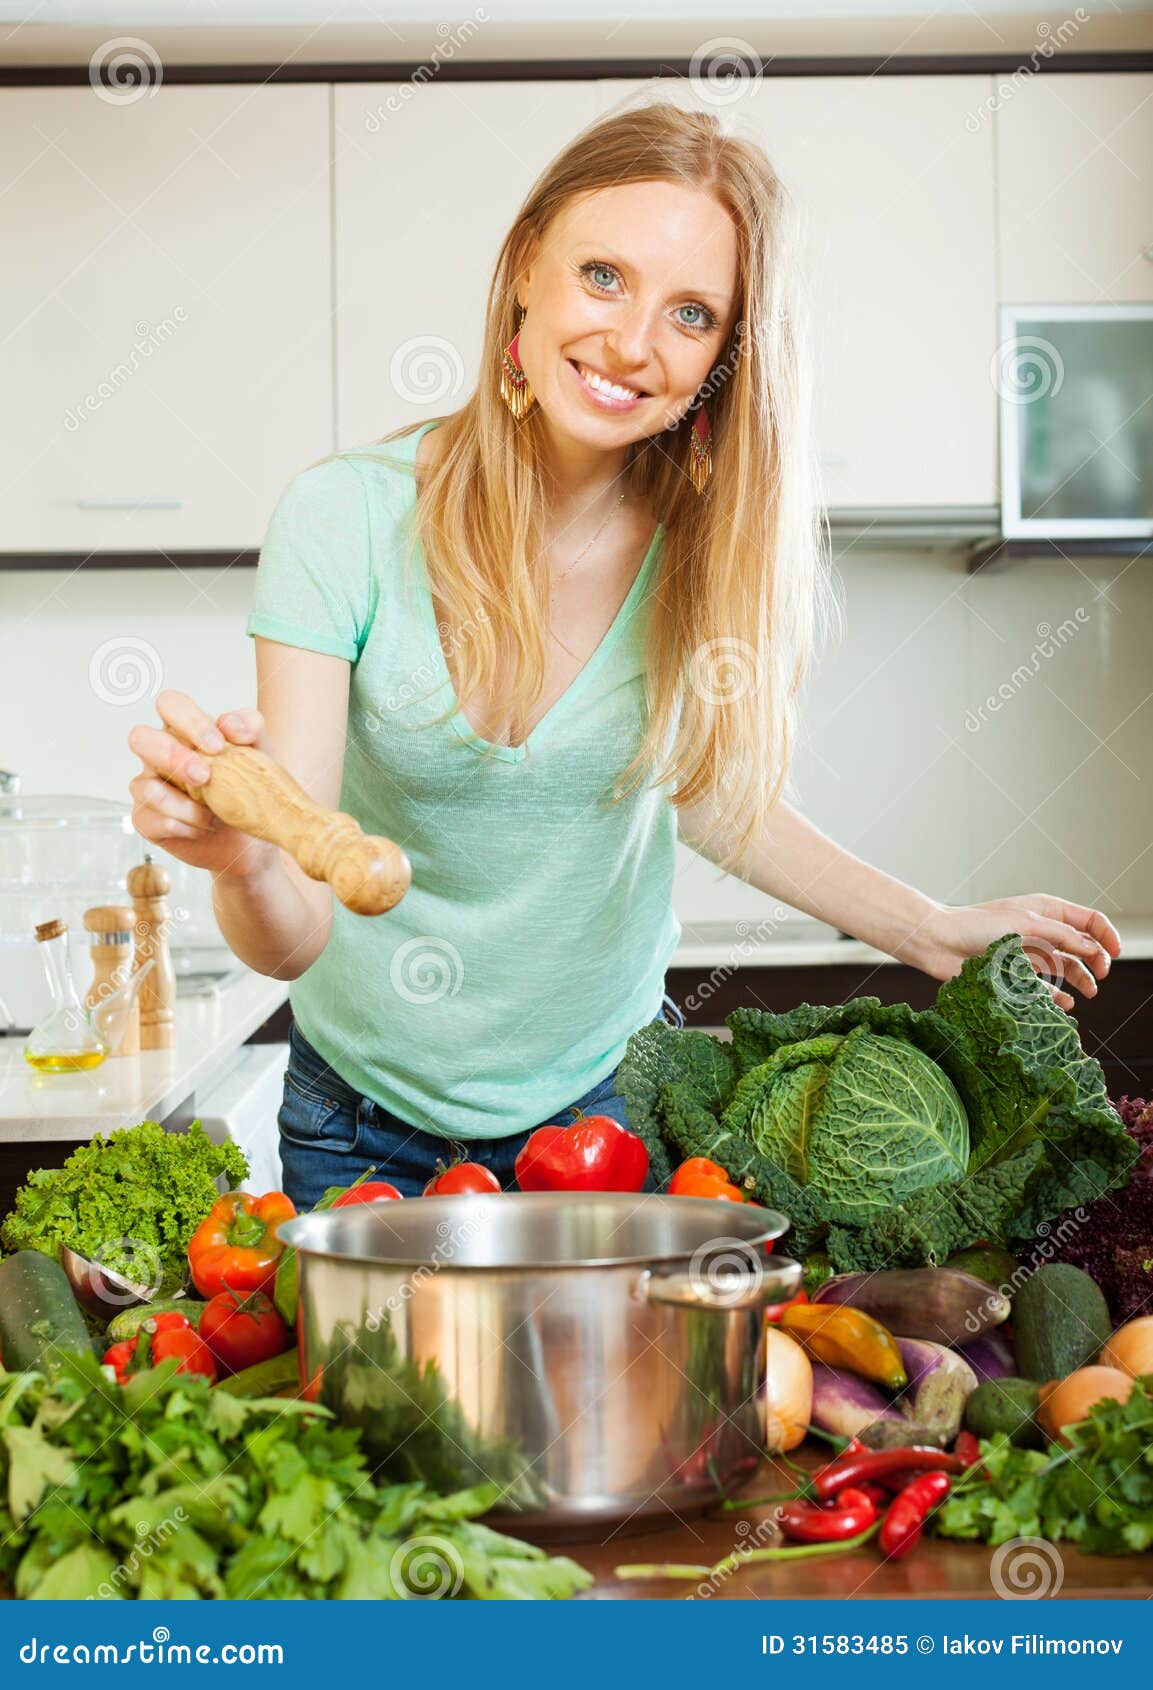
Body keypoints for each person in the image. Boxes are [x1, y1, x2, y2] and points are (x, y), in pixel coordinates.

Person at [127, 102, 1117, 1208]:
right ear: (525, 274)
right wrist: (243, 859)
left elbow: (713, 798)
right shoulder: (342, 519)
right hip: (360, 1123)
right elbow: (297, 929)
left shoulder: (706, 548)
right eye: (602, 276)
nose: (632, 342)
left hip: (601, 1116)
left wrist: (929, 927)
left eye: (689, 313)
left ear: (720, 361)